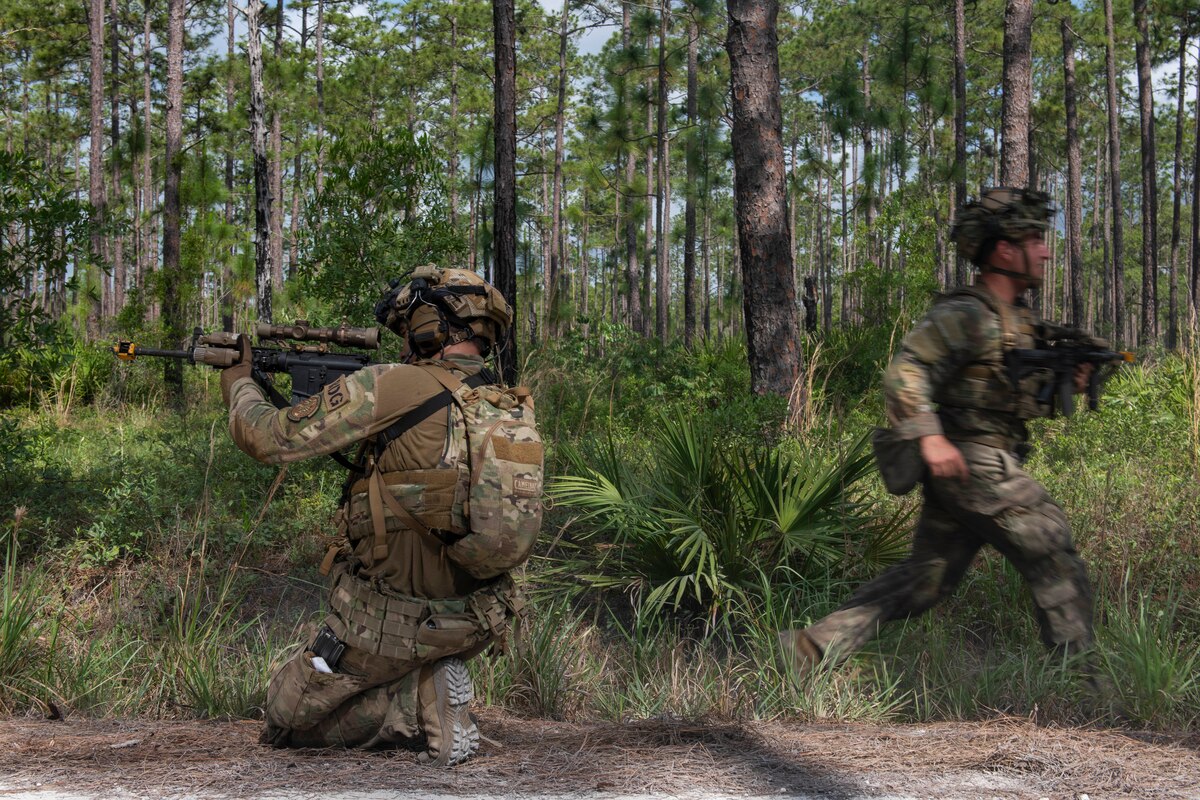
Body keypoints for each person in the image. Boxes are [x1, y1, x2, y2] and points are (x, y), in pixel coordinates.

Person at [219, 266, 535, 766]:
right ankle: (426, 677)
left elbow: (266, 436)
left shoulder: (394, 386)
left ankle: (414, 703)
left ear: (430, 327)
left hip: (392, 622)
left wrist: (239, 382)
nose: (405, 340)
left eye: (409, 327)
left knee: (286, 719)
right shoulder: (506, 405)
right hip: (476, 618)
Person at [779, 187, 1098, 674]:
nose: (1046, 249)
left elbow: (1008, 396)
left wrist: (1066, 382)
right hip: (972, 462)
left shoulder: (1019, 321)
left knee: (925, 582)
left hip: (972, 464)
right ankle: (1086, 683)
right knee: (1052, 549)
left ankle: (807, 650)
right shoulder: (967, 313)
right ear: (1005, 249)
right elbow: (904, 373)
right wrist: (930, 437)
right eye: (1035, 238)